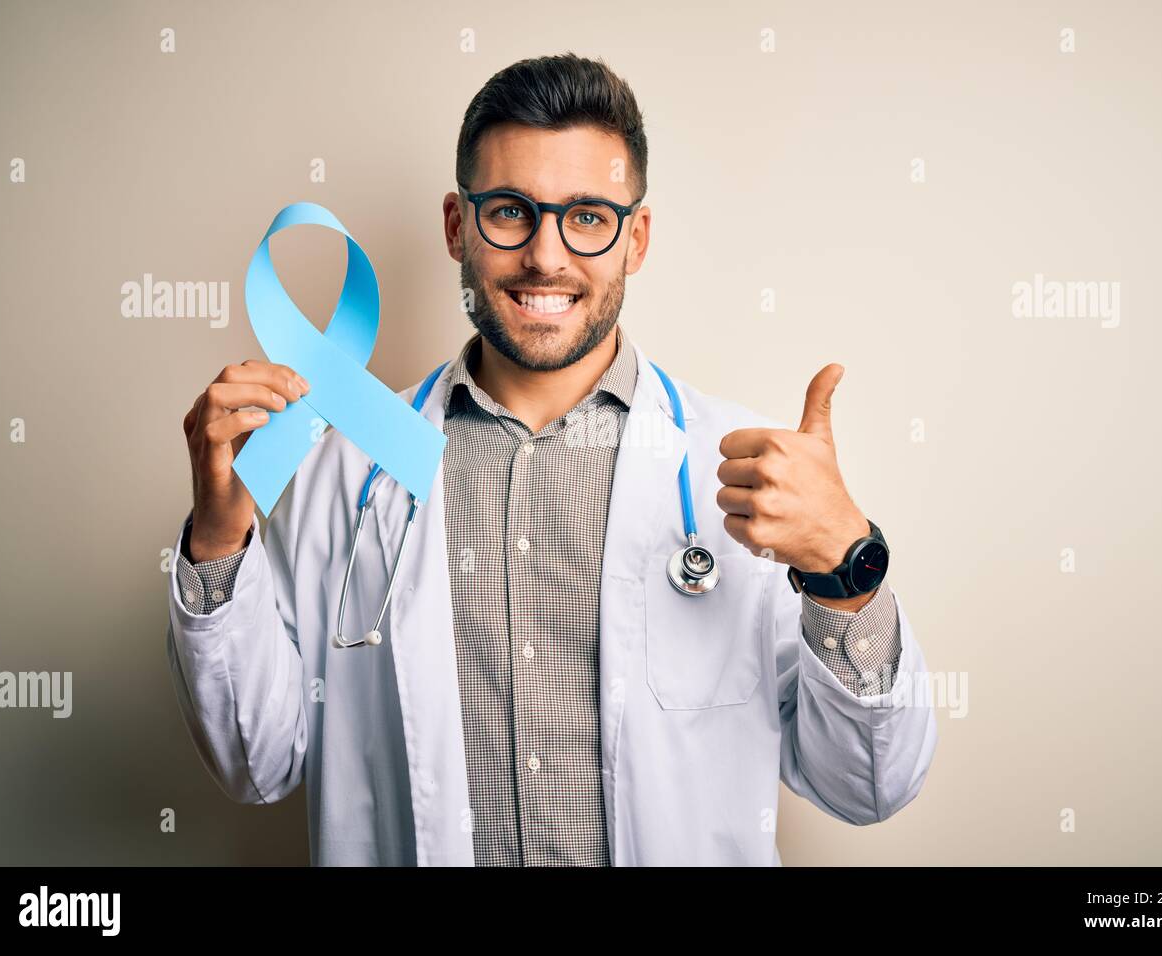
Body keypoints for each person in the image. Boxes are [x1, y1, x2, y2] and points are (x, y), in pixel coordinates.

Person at [169, 52, 937, 866]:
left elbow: (868, 786)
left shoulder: (744, 476)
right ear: (456, 226)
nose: (545, 255)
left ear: (635, 238)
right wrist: (219, 539)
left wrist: (843, 572)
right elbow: (259, 763)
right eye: (509, 211)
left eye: (587, 216)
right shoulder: (350, 470)